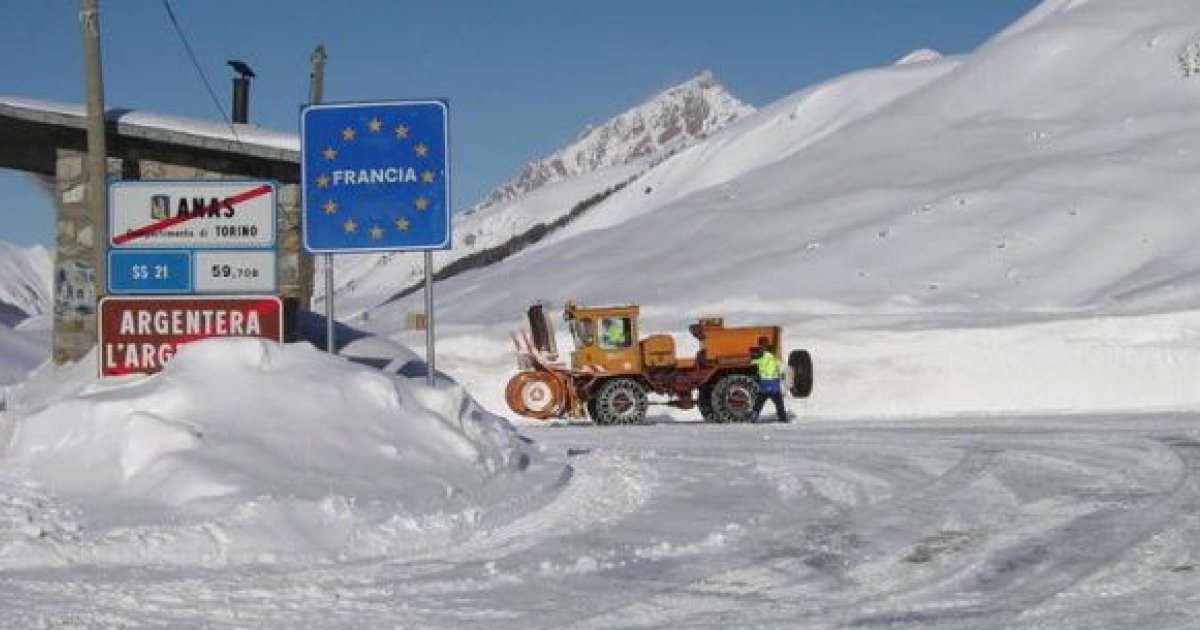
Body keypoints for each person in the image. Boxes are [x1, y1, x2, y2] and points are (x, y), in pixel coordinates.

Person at [751, 337, 789, 422]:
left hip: (764, 384)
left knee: (759, 403)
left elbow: (752, 362)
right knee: (779, 403)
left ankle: (754, 416)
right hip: (774, 384)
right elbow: (782, 368)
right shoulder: (774, 357)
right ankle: (783, 418)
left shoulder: (759, 358)